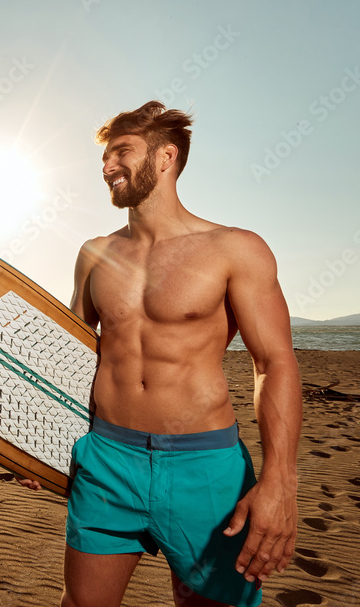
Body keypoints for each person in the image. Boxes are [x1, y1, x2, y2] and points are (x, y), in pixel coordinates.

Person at [20, 101, 302, 606]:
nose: (108, 168)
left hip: (204, 466)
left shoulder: (234, 248)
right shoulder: (95, 253)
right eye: (104, 158)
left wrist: (280, 480)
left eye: (122, 152)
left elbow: (274, 363)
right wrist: (35, 441)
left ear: (167, 156)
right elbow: (71, 358)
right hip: (106, 459)